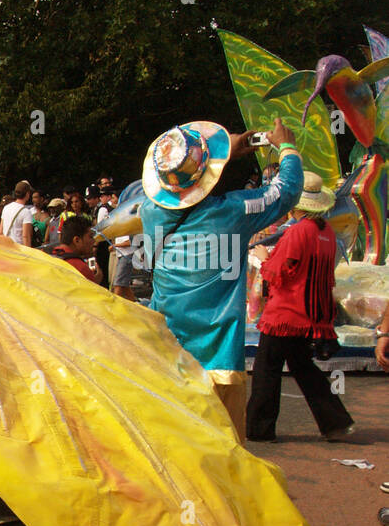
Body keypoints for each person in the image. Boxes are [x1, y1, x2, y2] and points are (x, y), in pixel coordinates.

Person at [140, 117, 302, 438]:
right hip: (218, 361)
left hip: (166, 355)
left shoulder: (149, 212)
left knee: (175, 448)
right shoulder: (232, 213)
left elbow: (183, 190)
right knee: (223, 452)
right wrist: (286, 146)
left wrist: (225, 153)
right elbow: (286, 191)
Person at [245, 173, 353, 442]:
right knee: (304, 368)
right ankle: (335, 422)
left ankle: (260, 429)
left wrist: (262, 258)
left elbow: (278, 272)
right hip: (309, 314)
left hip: (285, 313)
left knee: (266, 370)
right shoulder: (326, 231)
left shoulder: (298, 231)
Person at [46, 216, 100, 283]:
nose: (93, 241)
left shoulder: (47, 259)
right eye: (90, 237)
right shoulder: (81, 269)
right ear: (77, 240)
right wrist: (96, 282)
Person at [0, 180, 36, 246]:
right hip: (18, 249)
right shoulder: (26, 212)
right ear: (27, 194)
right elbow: (25, 236)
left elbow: (1, 231)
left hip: (6, 247)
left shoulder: (6, 208)